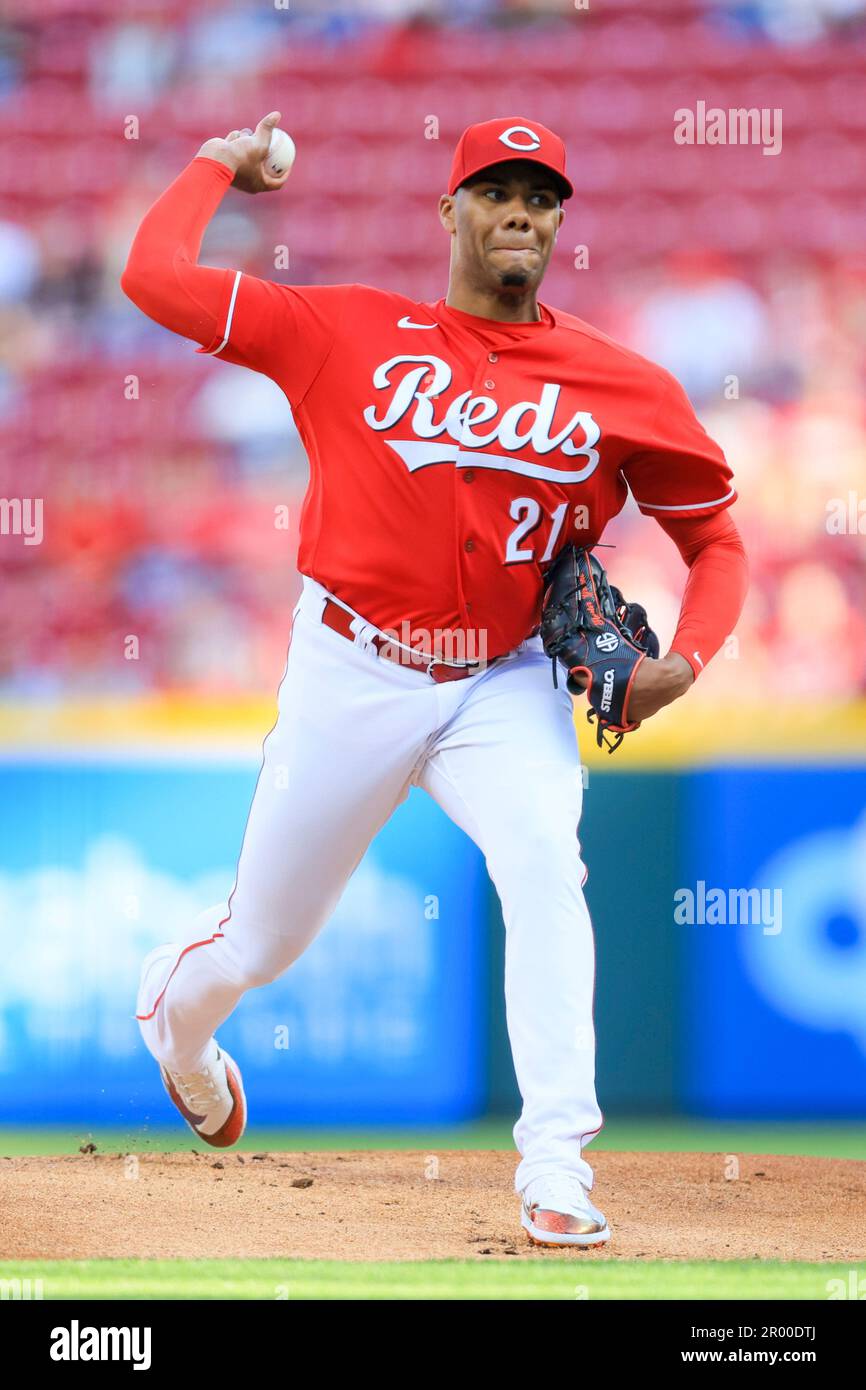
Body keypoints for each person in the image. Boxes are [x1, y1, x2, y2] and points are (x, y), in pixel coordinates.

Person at [122, 114, 748, 1249]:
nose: (520, 210)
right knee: (260, 946)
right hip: (349, 667)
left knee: (544, 863)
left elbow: (719, 544)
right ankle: (178, 1019)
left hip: (504, 681)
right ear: (448, 212)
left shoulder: (618, 383)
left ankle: (555, 1165)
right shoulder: (344, 330)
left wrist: (683, 661)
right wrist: (221, 162)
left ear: (558, 222)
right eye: (496, 191)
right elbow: (152, 275)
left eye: (541, 196)